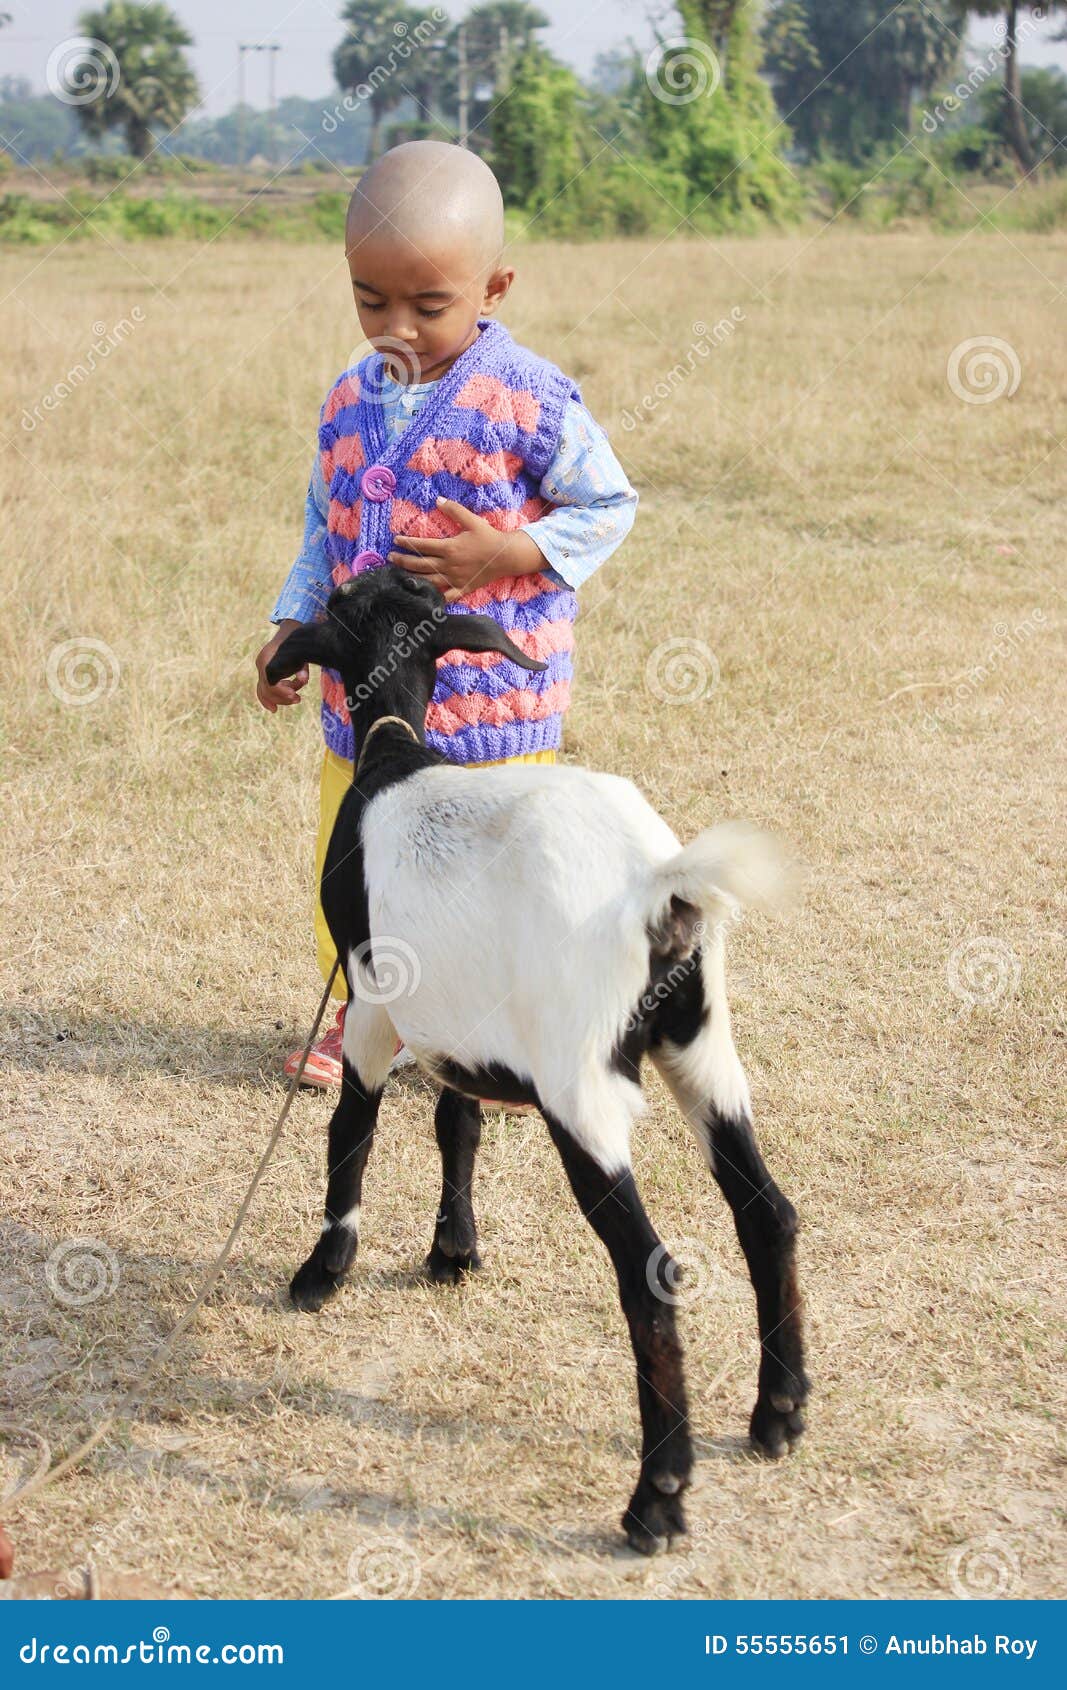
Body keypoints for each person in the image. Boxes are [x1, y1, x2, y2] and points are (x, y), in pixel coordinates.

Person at [255, 140, 637, 1086]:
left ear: (494, 287)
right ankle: (359, 1015)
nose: (399, 326)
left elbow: (607, 505)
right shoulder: (348, 399)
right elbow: (324, 521)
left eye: (429, 305)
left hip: (488, 704)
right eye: (370, 298)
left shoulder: (531, 402)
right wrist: (293, 621)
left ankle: (497, 1031)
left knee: (496, 879)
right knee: (354, 862)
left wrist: (509, 553)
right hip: (366, 709)